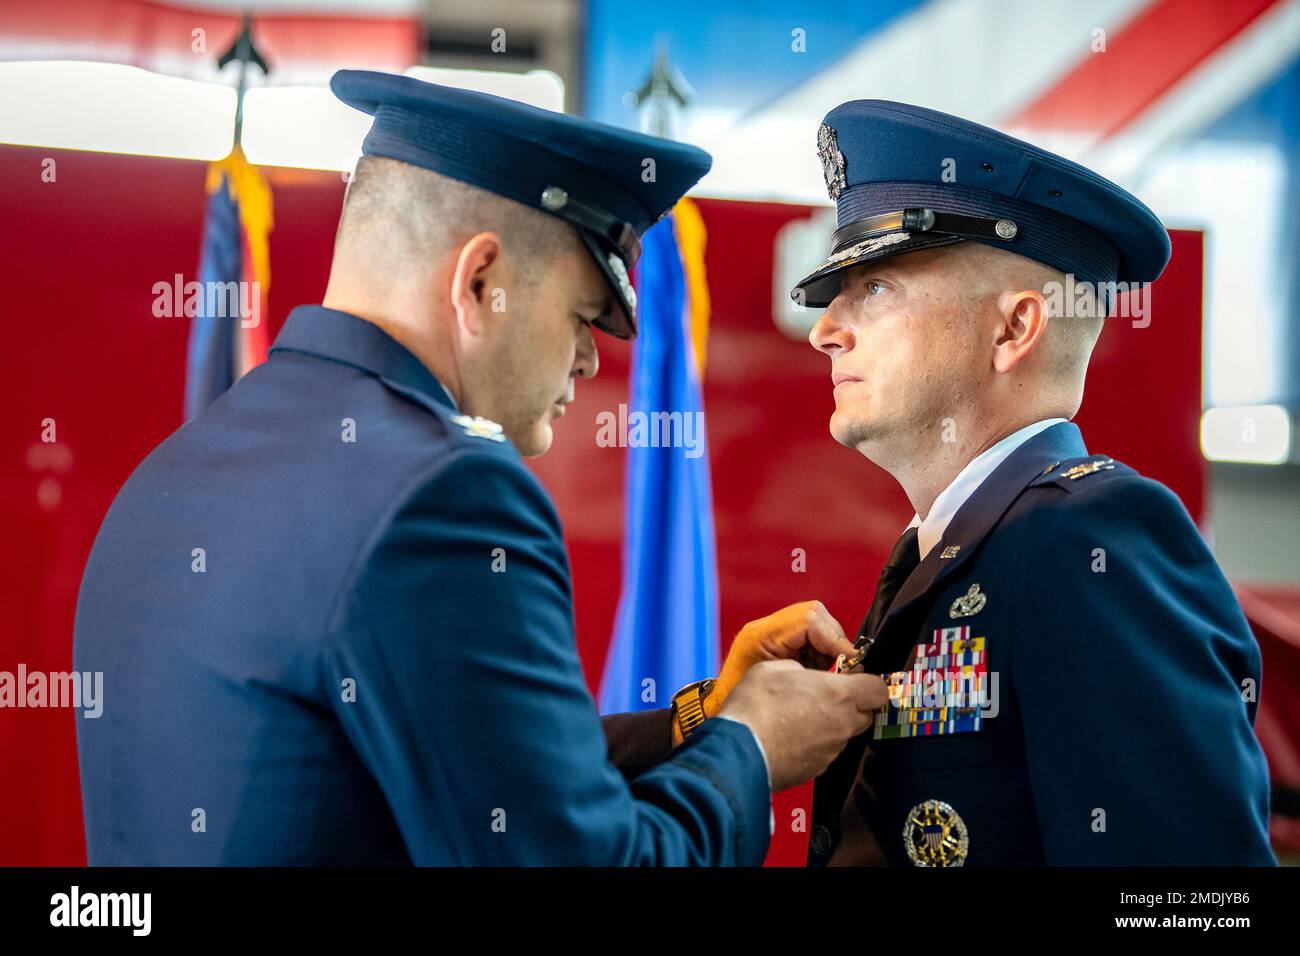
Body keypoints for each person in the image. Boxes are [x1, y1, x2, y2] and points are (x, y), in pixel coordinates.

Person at [73, 71, 887, 866]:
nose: (585, 362)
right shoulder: (446, 494)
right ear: (481, 281)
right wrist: (749, 749)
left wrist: (701, 717)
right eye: (581, 317)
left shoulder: (179, 468)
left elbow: (470, 760)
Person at [795, 100, 1276, 866]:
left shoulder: (1090, 538)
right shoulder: (956, 548)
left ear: (1015, 329)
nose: (826, 329)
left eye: (878, 288)